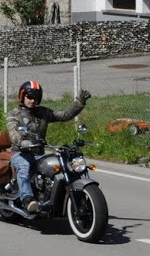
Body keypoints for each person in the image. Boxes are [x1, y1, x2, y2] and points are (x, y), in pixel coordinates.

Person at [6, 80, 90, 213]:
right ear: (22, 96)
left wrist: (79, 103)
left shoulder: (43, 112)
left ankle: (52, 197)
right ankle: (27, 199)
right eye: (29, 97)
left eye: (35, 98)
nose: (32, 100)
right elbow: (13, 132)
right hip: (21, 153)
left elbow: (65, 115)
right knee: (24, 167)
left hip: (39, 154)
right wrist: (22, 141)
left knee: (59, 166)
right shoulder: (14, 114)